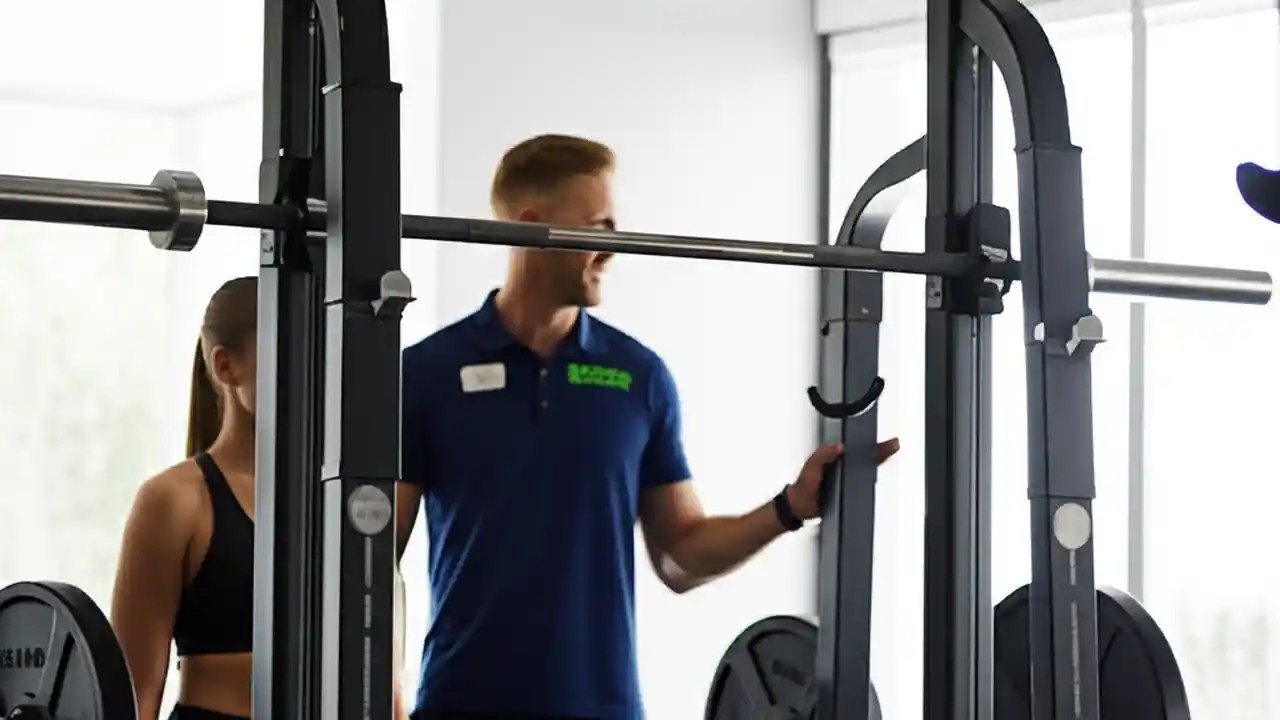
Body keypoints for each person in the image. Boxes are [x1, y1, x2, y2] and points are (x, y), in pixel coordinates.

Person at [396, 134, 901, 720]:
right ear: (530, 226)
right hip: (460, 706)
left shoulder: (636, 375)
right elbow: (373, 564)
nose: (615, 247)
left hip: (604, 709)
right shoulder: (427, 374)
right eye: (600, 226)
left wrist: (789, 506)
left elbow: (679, 556)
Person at [110, 276, 409, 720]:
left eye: (324, 352)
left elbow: (383, 669)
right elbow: (131, 698)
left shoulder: (352, 497)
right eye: (293, 352)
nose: (316, 372)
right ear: (226, 367)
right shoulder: (174, 500)